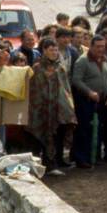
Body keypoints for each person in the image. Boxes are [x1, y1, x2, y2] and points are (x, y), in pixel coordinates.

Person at [28, 38, 77, 176]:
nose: (54, 52)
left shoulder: (61, 68)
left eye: (56, 50)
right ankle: (35, 166)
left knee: (55, 137)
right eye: (51, 50)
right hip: (40, 108)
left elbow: (65, 89)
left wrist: (68, 107)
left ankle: (51, 164)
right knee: (37, 137)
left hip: (57, 109)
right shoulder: (37, 68)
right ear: (44, 50)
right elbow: (33, 90)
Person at [71, 36, 107, 168]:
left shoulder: (106, 59)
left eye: (103, 46)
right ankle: (81, 158)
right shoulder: (82, 61)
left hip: (102, 100)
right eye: (98, 47)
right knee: (84, 129)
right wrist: (89, 92)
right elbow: (76, 80)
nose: (101, 49)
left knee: (99, 129)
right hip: (85, 100)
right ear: (91, 46)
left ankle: (95, 156)